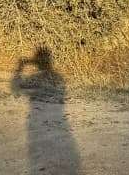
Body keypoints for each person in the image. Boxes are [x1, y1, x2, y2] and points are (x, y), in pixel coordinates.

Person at [10, 46, 81, 174]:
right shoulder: (58, 77)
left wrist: (20, 67)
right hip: (58, 124)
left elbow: (15, 88)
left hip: (40, 124)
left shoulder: (37, 77)